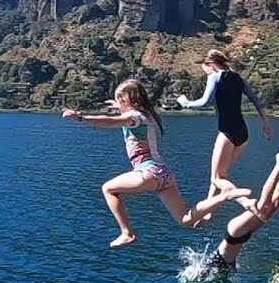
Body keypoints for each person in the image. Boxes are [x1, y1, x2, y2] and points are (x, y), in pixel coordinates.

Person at [63, 79, 252, 248]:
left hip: (148, 171)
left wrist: (81, 118)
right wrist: (118, 106)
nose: (119, 105)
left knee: (108, 189)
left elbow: (111, 121)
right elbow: (124, 116)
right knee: (186, 219)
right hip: (164, 174)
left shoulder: (133, 118)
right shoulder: (149, 115)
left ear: (127, 100)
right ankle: (224, 196)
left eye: (120, 101)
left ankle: (127, 233)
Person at [176, 50, 274, 204]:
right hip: (243, 134)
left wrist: (185, 102)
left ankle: (245, 201)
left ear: (212, 64)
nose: (206, 72)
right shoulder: (238, 79)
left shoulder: (214, 77)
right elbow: (257, 100)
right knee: (219, 176)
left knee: (216, 178)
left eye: (206, 68)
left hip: (227, 132)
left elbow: (205, 102)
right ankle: (207, 211)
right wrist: (266, 123)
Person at [208, 147, 279, 272]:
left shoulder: (211, 268)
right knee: (274, 204)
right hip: (243, 235)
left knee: (263, 205)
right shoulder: (224, 266)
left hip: (234, 234)